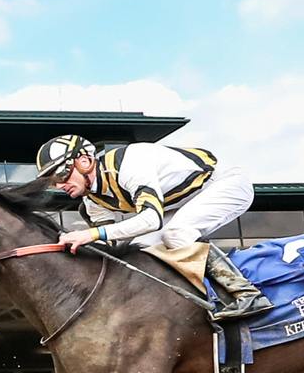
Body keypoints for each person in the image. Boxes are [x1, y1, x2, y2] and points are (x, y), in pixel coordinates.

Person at [33, 133, 267, 320]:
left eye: (62, 174)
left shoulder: (129, 164)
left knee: (177, 234)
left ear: (84, 161)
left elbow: (150, 220)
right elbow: (111, 245)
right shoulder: (92, 202)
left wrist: (89, 234)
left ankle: (246, 293)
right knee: (141, 248)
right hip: (181, 201)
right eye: (52, 181)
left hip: (225, 183)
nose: (60, 184)